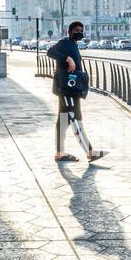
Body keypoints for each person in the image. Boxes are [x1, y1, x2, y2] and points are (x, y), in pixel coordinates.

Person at [47, 20, 106, 163]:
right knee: (74, 117)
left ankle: (60, 153)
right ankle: (90, 152)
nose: (79, 33)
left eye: (81, 30)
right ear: (69, 31)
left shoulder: (73, 44)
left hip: (71, 88)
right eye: (76, 30)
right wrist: (67, 58)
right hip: (67, 89)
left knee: (63, 120)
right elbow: (50, 52)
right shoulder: (65, 42)